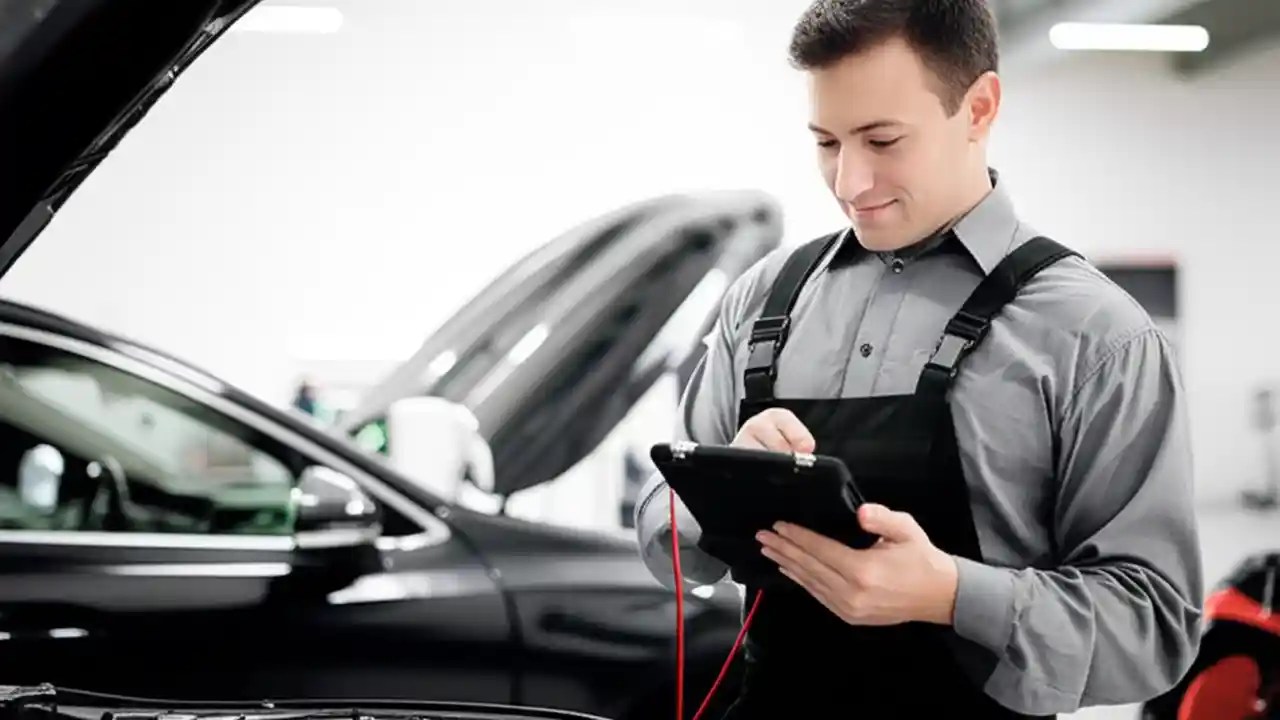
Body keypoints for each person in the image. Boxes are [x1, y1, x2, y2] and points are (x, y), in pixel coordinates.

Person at [633, 0, 1204, 717]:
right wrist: (715, 491)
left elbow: (1154, 627)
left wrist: (953, 595)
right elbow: (664, 526)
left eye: (883, 140)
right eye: (827, 142)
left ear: (979, 108)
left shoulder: (1095, 334)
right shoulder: (762, 299)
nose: (850, 183)